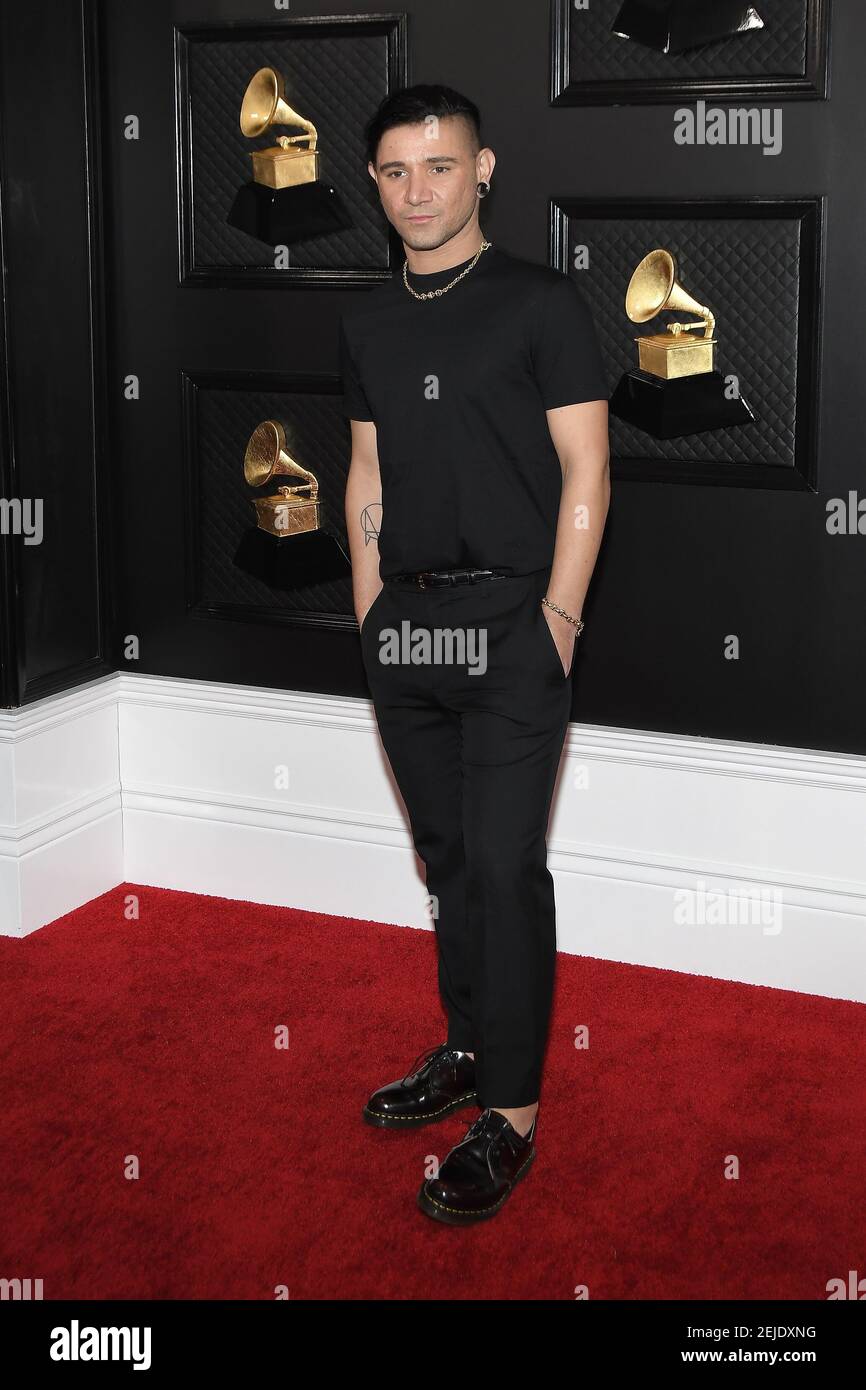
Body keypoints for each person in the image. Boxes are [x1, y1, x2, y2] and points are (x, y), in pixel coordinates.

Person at [340, 84, 610, 1225]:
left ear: (482, 169)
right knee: (448, 860)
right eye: (397, 171)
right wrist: (369, 615)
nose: (418, 191)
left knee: (505, 866)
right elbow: (366, 472)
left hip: (512, 624)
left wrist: (558, 620)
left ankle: (512, 1113)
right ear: (374, 183)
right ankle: (464, 1047)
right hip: (405, 625)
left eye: (440, 166)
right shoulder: (368, 321)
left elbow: (588, 471)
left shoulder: (541, 302)